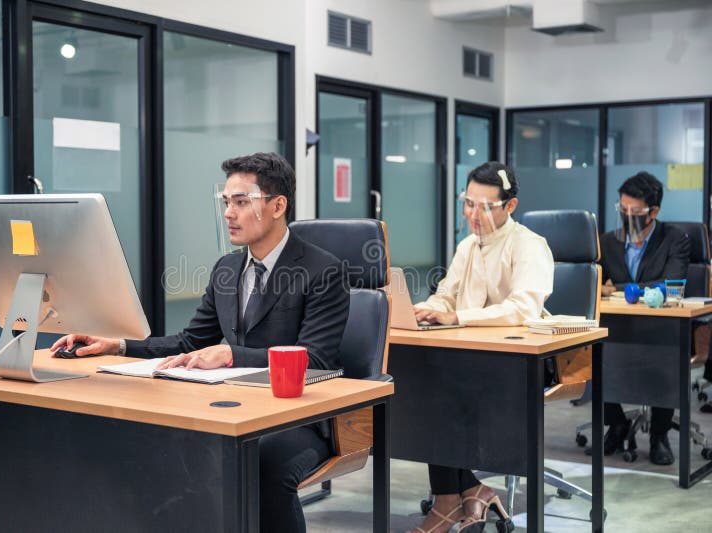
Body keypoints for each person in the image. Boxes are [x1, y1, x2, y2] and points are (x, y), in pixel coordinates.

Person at [51, 152, 350, 533]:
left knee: (262, 462)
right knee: (166, 445)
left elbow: (316, 360)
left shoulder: (323, 271)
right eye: (226, 202)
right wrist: (117, 345)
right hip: (234, 406)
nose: (228, 213)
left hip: (299, 417)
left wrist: (230, 354)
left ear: (278, 206)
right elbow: (190, 340)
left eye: (241, 202)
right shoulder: (227, 268)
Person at [408, 161, 554, 533]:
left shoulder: (529, 245)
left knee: (439, 393)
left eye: (485, 207)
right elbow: (447, 295)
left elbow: (523, 308)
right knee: (420, 383)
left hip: (522, 363)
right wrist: (428, 310)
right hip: (469, 357)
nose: (473, 214)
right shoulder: (467, 246)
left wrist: (456, 317)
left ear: (511, 205)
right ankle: (470, 489)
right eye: (468, 203)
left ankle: (447, 501)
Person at [597, 171, 689, 465]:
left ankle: (659, 435)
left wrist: (618, 288)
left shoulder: (674, 238)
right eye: (623, 209)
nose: (627, 217)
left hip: (661, 326)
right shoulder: (608, 242)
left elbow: (670, 283)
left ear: (654, 212)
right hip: (619, 324)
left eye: (635, 212)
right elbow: (595, 284)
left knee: (667, 351)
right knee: (594, 350)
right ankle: (617, 424)